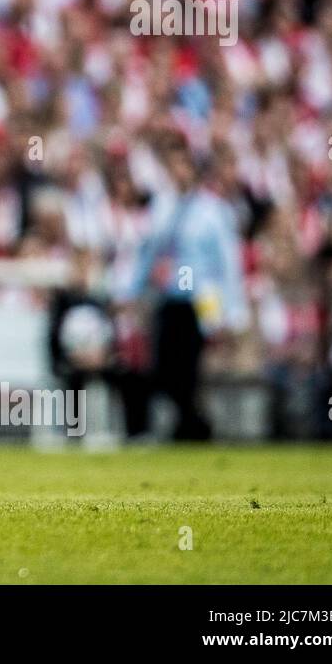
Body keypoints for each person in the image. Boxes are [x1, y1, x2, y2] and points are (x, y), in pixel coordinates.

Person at [119, 138, 249, 440]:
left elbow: (228, 264)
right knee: (166, 368)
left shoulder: (213, 210)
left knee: (190, 367)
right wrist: (130, 292)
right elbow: (147, 253)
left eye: (182, 165)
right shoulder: (163, 208)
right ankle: (193, 425)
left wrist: (233, 311)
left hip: (203, 298)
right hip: (171, 297)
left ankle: (192, 427)